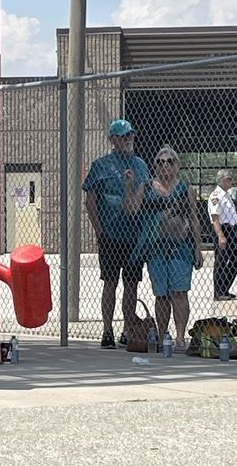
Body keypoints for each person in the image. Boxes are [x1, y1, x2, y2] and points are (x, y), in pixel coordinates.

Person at [125, 146, 203, 353]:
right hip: (155, 247)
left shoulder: (185, 188)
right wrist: (129, 185)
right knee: (161, 294)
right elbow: (132, 210)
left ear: (177, 165)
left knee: (179, 292)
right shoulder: (147, 186)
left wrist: (198, 247)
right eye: (160, 161)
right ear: (155, 166)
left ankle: (179, 336)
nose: (165, 165)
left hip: (181, 247)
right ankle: (161, 335)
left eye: (169, 161)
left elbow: (194, 219)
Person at [82, 119, 150, 349]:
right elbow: (90, 199)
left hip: (134, 235)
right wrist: (98, 230)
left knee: (132, 284)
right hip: (110, 233)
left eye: (130, 134)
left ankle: (128, 328)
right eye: (122, 136)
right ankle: (107, 329)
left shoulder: (140, 165)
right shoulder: (101, 165)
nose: (127, 139)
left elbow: (146, 196)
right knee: (110, 282)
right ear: (112, 139)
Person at [208, 169, 237, 300]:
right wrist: (220, 236)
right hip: (222, 229)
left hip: (232, 229)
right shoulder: (216, 195)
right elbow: (215, 217)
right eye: (229, 179)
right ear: (222, 180)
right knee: (221, 261)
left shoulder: (226, 194)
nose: (231, 181)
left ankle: (225, 287)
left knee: (236, 258)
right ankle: (218, 292)